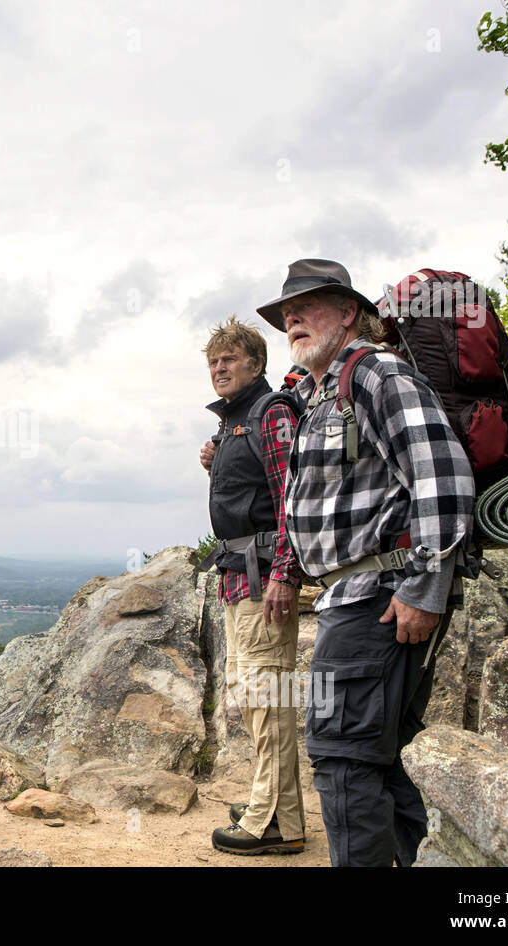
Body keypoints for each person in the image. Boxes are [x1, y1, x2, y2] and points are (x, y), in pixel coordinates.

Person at [255, 258, 476, 867]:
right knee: (384, 754)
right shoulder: (320, 392)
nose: (291, 319)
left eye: (308, 306)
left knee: (343, 758)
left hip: (375, 601)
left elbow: (444, 478)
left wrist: (425, 587)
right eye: (284, 314)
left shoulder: (379, 374)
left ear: (349, 312)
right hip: (352, 599)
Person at [197, 316, 307, 855]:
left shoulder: (270, 412)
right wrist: (217, 464)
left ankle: (272, 823)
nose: (219, 368)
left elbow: (291, 499)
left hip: (265, 578)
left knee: (268, 700)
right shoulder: (236, 422)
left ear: (256, 364)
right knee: (258, 698)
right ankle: (279, 810)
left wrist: (286, 574)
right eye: (213, 361)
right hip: (239, 577)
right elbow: (252, 496)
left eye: (230, 359)